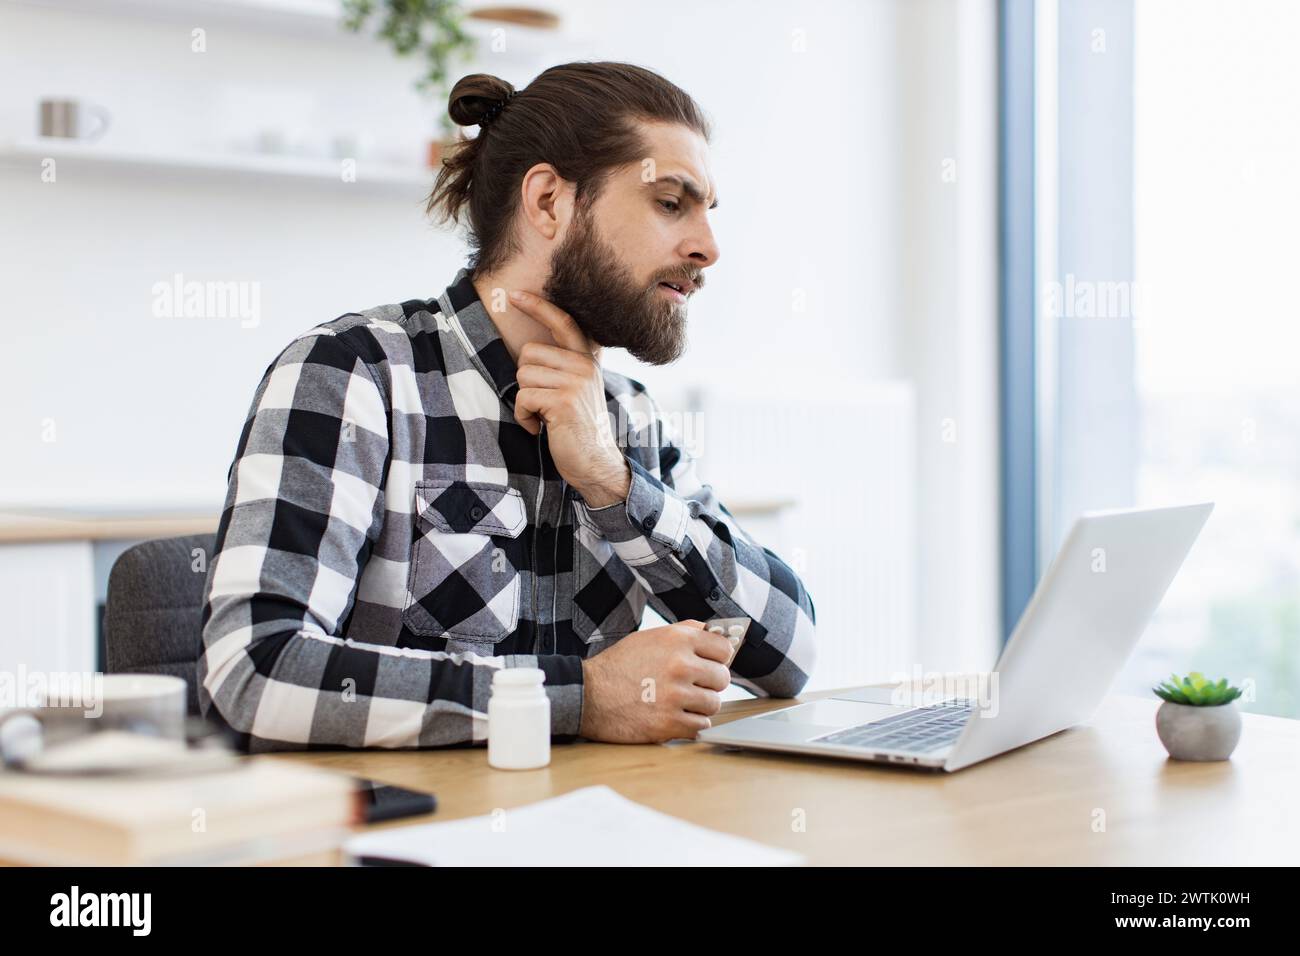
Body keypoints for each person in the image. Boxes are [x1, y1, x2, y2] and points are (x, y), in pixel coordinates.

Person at [197, 62, 816, 752]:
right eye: (671, 203)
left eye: (706, 211)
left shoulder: (627, 419)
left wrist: (613, 485)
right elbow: (254, 669)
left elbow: (790, 654)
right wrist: (579, 697)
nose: (707, 247)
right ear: (549, 201)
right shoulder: (356, 376)